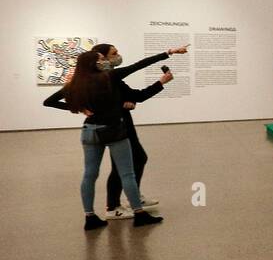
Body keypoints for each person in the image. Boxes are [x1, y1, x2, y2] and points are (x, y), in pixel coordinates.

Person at [43, 47, 187, 229]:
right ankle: (139, 213)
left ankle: (90, 217)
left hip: (89, 130)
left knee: (89, 175)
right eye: (101, 58)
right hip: (113, 129)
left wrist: (79, 108)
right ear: (94, 63)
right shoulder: (109, 77)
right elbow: (139, 65)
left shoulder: (76, 83)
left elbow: (49, 102)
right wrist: (168, 52)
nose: (104, 61)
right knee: (127, 173)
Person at [91, 43, 168, 220]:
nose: (118, 55)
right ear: (101, 58)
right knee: (121, 166)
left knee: (138, 158)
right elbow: (103, 101)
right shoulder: (105, 78)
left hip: (123, 124)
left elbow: (135, 96)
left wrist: (160, 82)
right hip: (115, 127)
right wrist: (168, 53)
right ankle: (113, 207)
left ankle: (134, 197)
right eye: (113, 53)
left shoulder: (113, 78)